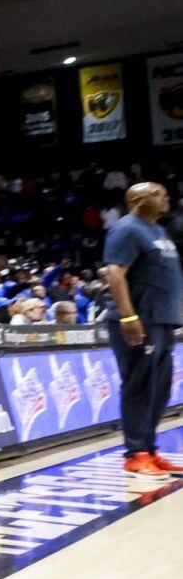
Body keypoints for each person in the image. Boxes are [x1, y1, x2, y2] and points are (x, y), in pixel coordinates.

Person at [102, 183, 183, 476]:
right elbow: (114, 273)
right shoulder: (127, 229)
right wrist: (127, 317)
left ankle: (149, 450)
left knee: (158, 390)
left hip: (161, 321)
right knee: (139, 386)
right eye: (159, 194)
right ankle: (135, 453)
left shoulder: (158, 231)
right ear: (138, 200)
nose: (167, 198)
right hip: (140, 321)